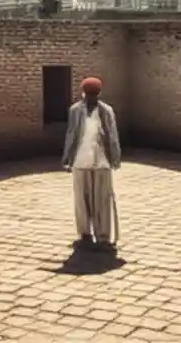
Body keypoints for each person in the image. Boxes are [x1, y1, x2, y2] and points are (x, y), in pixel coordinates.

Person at [61, 76, 121, 251]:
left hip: (101, 161)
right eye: (88, 94)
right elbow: (71, 134)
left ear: (99, 94)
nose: (90, 98)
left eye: (94, 94)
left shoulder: (106, 111)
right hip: (80, 160)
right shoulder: (75, 111)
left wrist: (115, 158)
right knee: (81, 199)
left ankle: (103, 236)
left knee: (103, 199)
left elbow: (113, 135)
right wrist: (67, 157)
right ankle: (85, 234)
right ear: (83, 93)